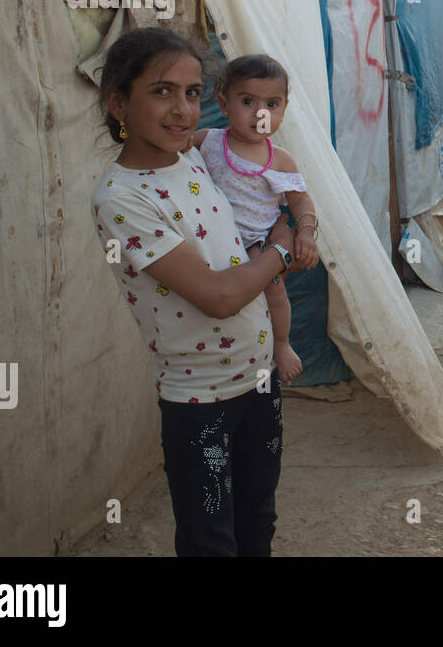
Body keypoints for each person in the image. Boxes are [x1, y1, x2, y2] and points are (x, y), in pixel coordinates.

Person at [93, 28, 302, 556]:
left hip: (258, 379)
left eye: (190, 92)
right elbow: (219, 296)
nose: (182, 109)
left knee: (258, 521)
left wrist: (302, 220)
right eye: (162, 91)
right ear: (119, 103)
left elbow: (274, 176)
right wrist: (280, 249)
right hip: (199, 398)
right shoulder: (122, 199)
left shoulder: (192, 160)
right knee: (211, 541)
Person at [189, 54, 320, 386]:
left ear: (284, 108)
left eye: (272, 104)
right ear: (223, 103)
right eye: (248, 101)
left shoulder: (280, 160)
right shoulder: (208, 142)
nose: (260, 113)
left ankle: (282, 344)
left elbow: (301, 201)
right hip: (212, 245)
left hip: (259, 245)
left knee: (274, 293)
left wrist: (305, 233)